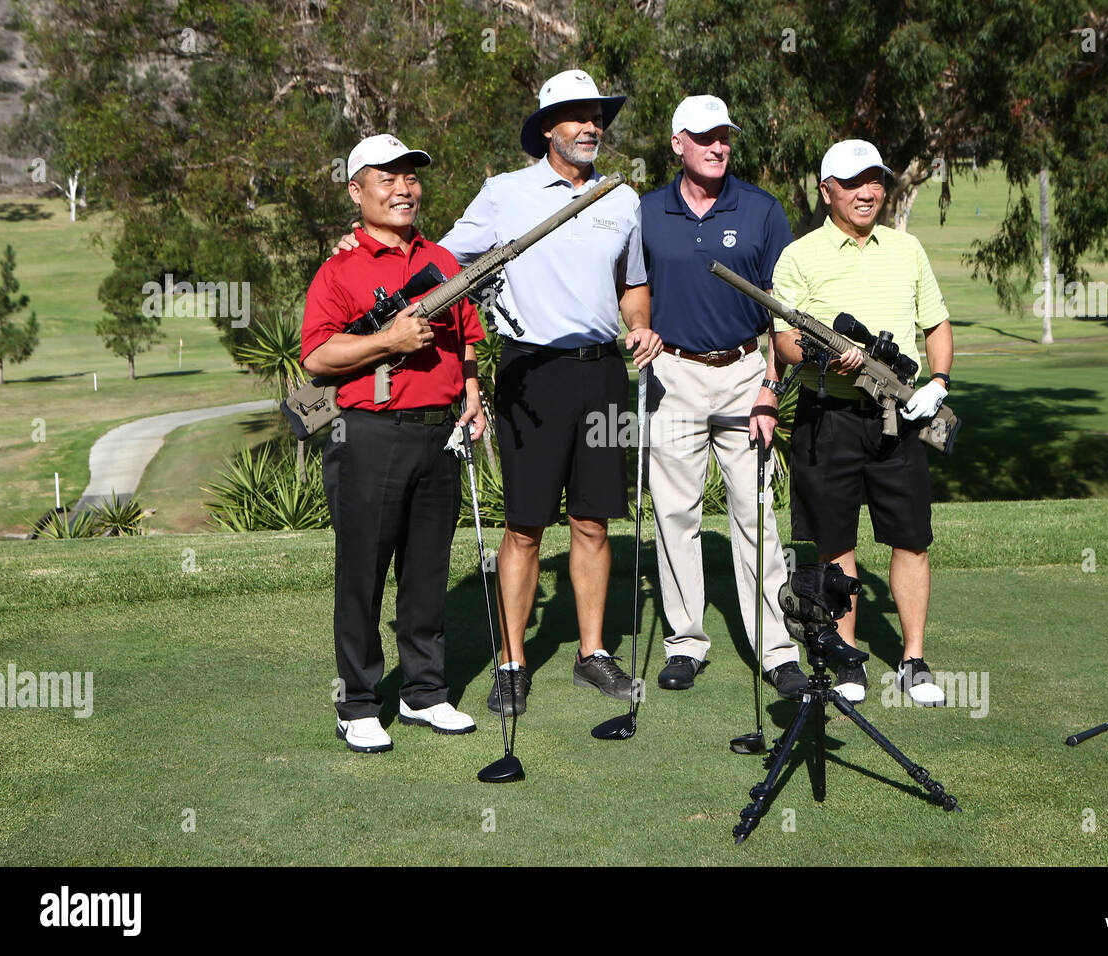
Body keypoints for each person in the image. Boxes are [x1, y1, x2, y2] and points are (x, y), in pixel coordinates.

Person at [439, 70, 662, 717]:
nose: (591, 126)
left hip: (601, 375)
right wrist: (366, 246)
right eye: (575, 116)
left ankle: (592, 655)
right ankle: (512, 663)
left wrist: (640, 323)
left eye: (596, 115)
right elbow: (445, 261)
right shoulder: (504, 194)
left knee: (593, 521)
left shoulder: (622, 198)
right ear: (547, 128)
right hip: (530, 373)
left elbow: (634, 284)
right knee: (526, 526)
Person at [301, 133, 486, 753]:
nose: (404, 188)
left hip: (439, 435)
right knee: (363, 574)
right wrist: (388, 343)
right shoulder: (339, 269)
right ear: (357, 192)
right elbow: (319, 358)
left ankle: (425, 692)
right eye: (388, 178)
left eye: (411, 176)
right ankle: (357, 702)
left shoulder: (443, 260)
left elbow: (466, 342)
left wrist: (473, 397)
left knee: (428, 571)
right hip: (369, 437)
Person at [771, 139, 953, 706]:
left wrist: (938, 383)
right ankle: (848, 661)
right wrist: (827, 355)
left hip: (900, 417)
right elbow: (783, 340)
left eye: (874, 179)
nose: (868, 191)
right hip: (830, 416)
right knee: (835, 542)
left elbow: (937, 323)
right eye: (853, 182)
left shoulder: (907, 248)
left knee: (911, 539)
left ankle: (915, 660)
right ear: (827, 191)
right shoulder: (799, 256)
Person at [639, 95, 806, 699]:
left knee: (755, 514)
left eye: (725, 137)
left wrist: (770, 385)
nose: (718, 146)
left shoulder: (760, 210)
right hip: (673, 374)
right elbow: (626, 288)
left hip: (744, 373)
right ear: (678, 143)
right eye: (705, 136)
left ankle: (777, 647)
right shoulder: (647, 211)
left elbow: (784, 313)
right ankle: (685, 641)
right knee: (675, 515)